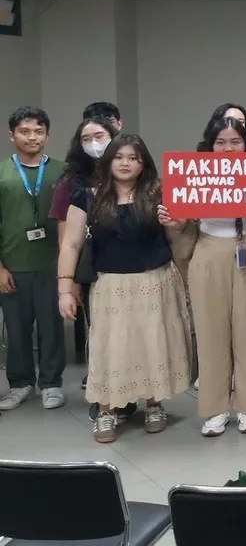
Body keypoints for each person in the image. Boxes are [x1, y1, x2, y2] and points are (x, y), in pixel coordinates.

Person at [57, 134, 192, 443]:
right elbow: (72, 243)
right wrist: (65, 288)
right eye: (120, 157)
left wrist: (178, 224)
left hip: (156, 281)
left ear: (143, 163)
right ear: (109, 161)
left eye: (133, 157)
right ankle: (106, 411)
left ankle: (153, 405)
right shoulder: (87, 195)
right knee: (111, 348)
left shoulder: (159, 192)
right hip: (110, 285)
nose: (126, 163)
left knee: (153, 342)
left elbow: (176, 238)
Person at [172, 115, 246, 436]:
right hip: (208, 249)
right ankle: (215, 409)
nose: (228, 148)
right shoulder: (195, 175)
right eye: (221, 142)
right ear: (210, 144)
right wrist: (175, 217)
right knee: (210, 331)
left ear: (245, 144)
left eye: (235, 141)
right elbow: (180, 225)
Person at [48, 117, 118, 410]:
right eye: (86, 138)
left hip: (131, 266)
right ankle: (104, 398)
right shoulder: (71, 182)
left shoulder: (129, 171)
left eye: (99, 136)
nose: (93, 143)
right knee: (100, 333)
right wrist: (70, 280)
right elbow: (67, 237)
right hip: (92, 269)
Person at [0, 106, 67, 411]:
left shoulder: (62, 172)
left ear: (47, 135)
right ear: (11, 134)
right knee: (16, 329)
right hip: (13, 266)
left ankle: (52, 384)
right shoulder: (2, 173)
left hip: (52, 264)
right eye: (25, 131)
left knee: (52, 327)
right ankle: (20, 384)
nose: (32, 137)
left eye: (38, 131)